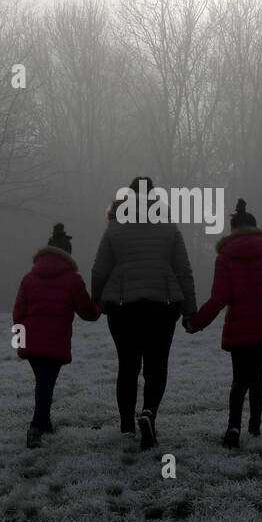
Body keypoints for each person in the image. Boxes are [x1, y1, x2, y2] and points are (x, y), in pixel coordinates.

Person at [91, 176, 197, 449]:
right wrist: (189, 310)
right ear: (153, 196)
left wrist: (97, 300)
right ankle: (149, 412)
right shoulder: (168, 226)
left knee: (127, 366)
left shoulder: (115, 227)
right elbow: (183, 271)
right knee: (156, 366)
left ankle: (127, 424)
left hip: (123, 307)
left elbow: (99, 269)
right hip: (161, 306)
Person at [187, 199, 262, 447]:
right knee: (256, 375)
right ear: (257, 230)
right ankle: (255, 425)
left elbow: (219, 298)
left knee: (240, 377)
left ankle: (233, 426)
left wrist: (196, 323)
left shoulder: (225, 259)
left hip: (238, 328)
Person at [12, 224, 102, 448]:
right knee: (46, 383)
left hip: (31, 343)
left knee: (43, 382)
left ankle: (44, 422)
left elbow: (18, 314)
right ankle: (35, 427)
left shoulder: (29, 278)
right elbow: (88, 313)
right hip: (54, 343)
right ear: (68, 253)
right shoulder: (73, 280)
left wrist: (20, 341)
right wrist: (100, 306)